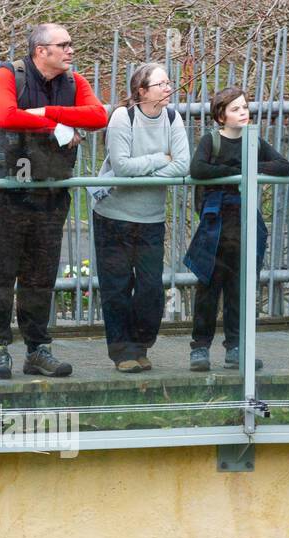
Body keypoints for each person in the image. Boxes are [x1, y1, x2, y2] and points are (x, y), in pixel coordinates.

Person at [0, 23, 108, 380]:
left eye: (70, 44)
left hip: (49, 194)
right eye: (63, 45)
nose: (70, 51)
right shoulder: (8, 74)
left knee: (41, 277)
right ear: (41, 51)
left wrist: (46, 114)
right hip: (3, 194)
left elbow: (98, 116)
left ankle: (37, 349)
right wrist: (58, 125)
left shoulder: (74, 81)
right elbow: (5, 115)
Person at [184, 87, 289, 372]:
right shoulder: (211, 141)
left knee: (239, 287)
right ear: (221, 116)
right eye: (235, 109)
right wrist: (235, 169)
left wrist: (248, 165)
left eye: (245, 107)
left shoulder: (253, 141)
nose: (243, 113)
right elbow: (199, 170)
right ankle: (200, 347)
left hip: (244, 221)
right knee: (208, 285)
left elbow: (284, 166)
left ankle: (236, 347)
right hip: (215, 223)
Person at [91, 62, 189, 372]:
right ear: (142, 91)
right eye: (160, 84)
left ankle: (141, 343)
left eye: (168, 83)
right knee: (117, 286)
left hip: (151, 218)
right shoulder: (123, 117)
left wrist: (144, 168)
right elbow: (121, 167)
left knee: (150, 288)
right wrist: (161, 160)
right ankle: (122, 352)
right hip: (113, 217)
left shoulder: (173, 118)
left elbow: (183, 165)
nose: (167, 88)